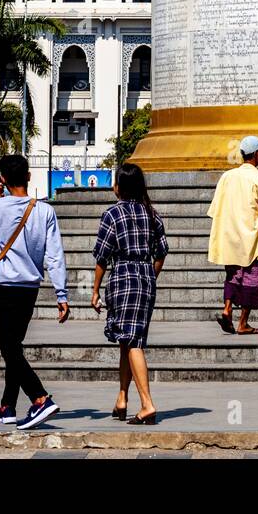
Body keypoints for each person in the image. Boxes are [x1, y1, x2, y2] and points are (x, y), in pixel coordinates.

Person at [0, 153, 70, 429]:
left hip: (4, 286)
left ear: (2, 178)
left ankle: (39, 398)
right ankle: (8, 406)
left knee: (9, 348)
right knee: (13, 346)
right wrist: (61, 294)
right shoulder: (45, 211)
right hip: (30, 288)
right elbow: (55, 256)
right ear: (28, 176)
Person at [92, 162, 168, 425]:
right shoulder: (152, 214)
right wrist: (149, 276)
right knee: (127, 339)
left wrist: (94, 290)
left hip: (123, 275)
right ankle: (122, 399)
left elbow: (102, 257)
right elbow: (161, 253)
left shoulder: (112, 215)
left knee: (133, 341)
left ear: (119, 188)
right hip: (145, 276)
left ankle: (147, 404)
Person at [207, 135, 258, 335]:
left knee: (232, 276)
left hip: (230, 237)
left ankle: (227, 309)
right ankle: (243, 323)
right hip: (251, 238)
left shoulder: (227, 177)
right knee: (252, 280)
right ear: (256, 154)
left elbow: (215, 211)